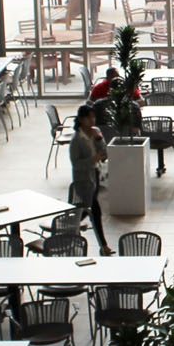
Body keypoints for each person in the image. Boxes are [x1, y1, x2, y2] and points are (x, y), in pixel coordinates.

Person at [67, 107, 115, 256]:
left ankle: (68, 227)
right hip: (83, 180)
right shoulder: (76, 140)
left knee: (87, 210)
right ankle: (103, 245)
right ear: (81, 120)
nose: (92, 120)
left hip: (94, 175)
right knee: (95, 211)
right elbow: (76, 164)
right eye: (89, 118)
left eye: (93, 117)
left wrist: (99, 138)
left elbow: (104, 152)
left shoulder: (94, 133)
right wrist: (92, 160)